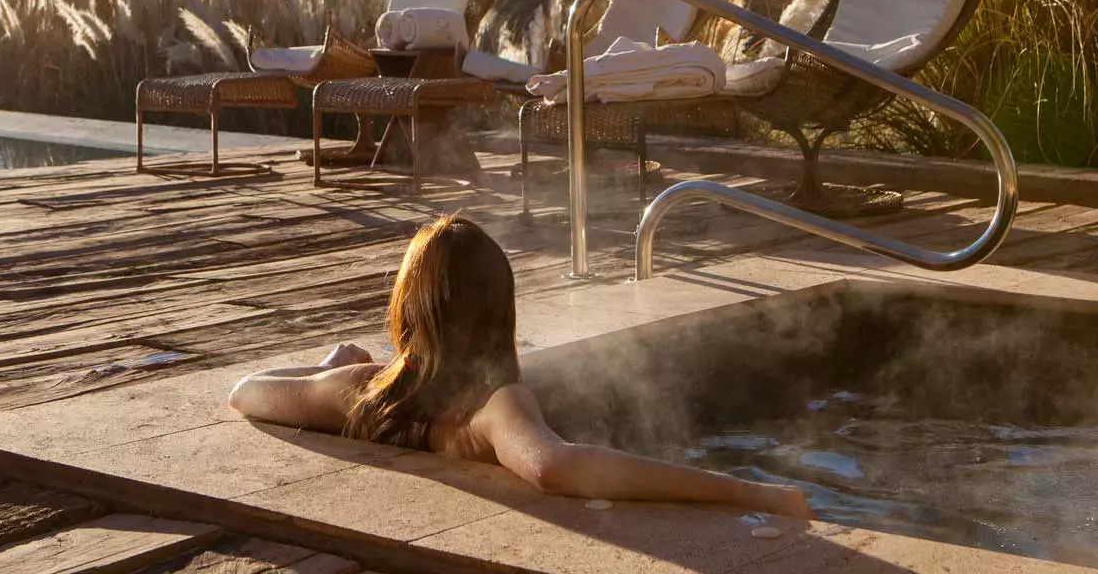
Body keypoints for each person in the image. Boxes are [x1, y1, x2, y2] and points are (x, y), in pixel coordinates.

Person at [229, 214, 810, 517]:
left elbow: (246, 393)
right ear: (499, 312)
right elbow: (556, 466)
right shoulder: (491, 406)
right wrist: (741, 492)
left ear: (407, 306)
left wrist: (324, 365)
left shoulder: (360, 389)